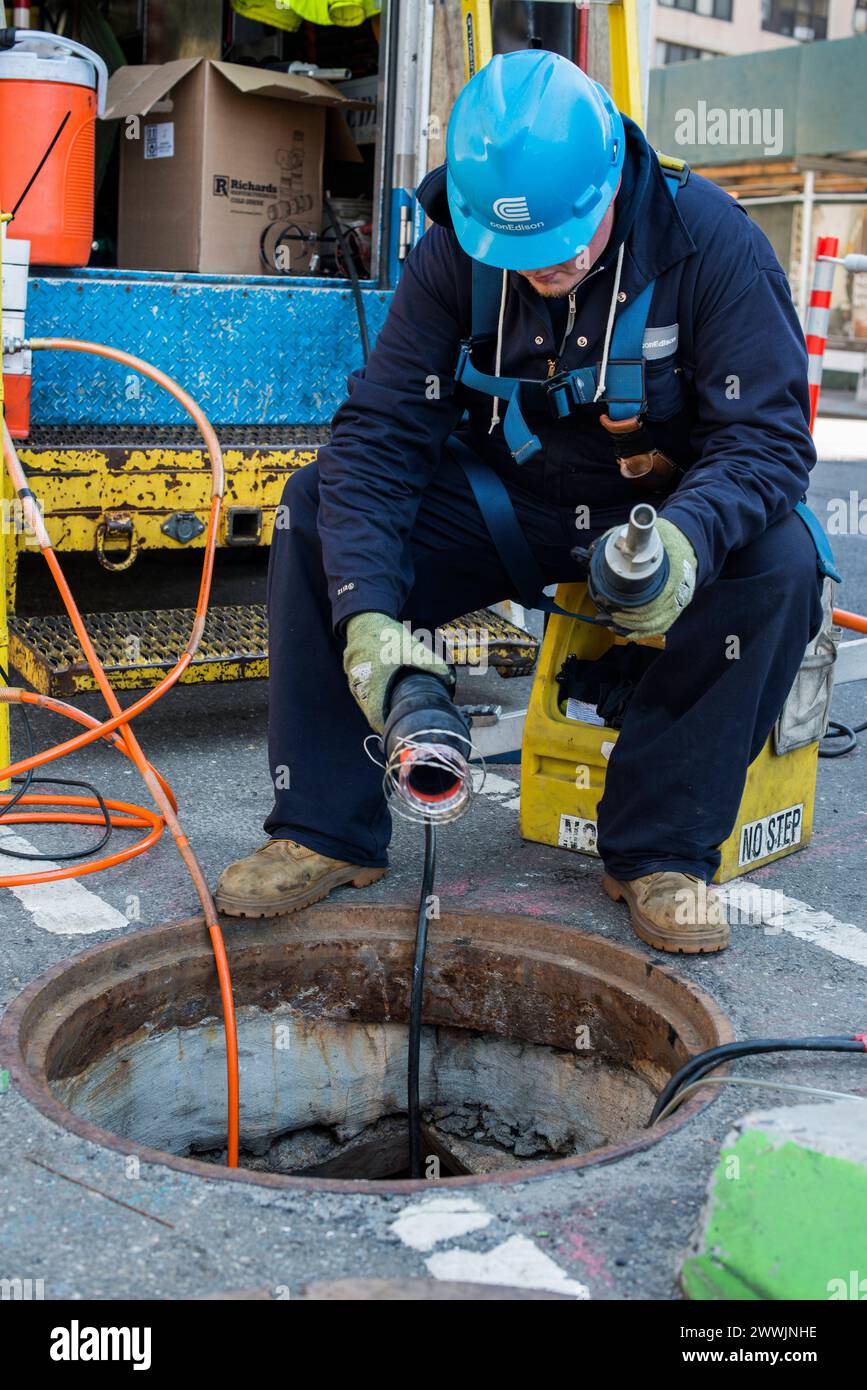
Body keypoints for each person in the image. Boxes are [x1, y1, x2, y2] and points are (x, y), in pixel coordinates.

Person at [216, 49, 825, 955]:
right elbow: (380, 435)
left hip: (655, 524)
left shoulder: (714, 245)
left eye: (569, 245)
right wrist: (368, 617)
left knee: (781, 562)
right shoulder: (455, 250)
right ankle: (324, 828)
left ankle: (658, 851)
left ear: (613, 174)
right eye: (528, 255)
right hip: (509, 507)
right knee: (315, 508)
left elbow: (766, 442)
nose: (552, 268)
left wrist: (690, 542)